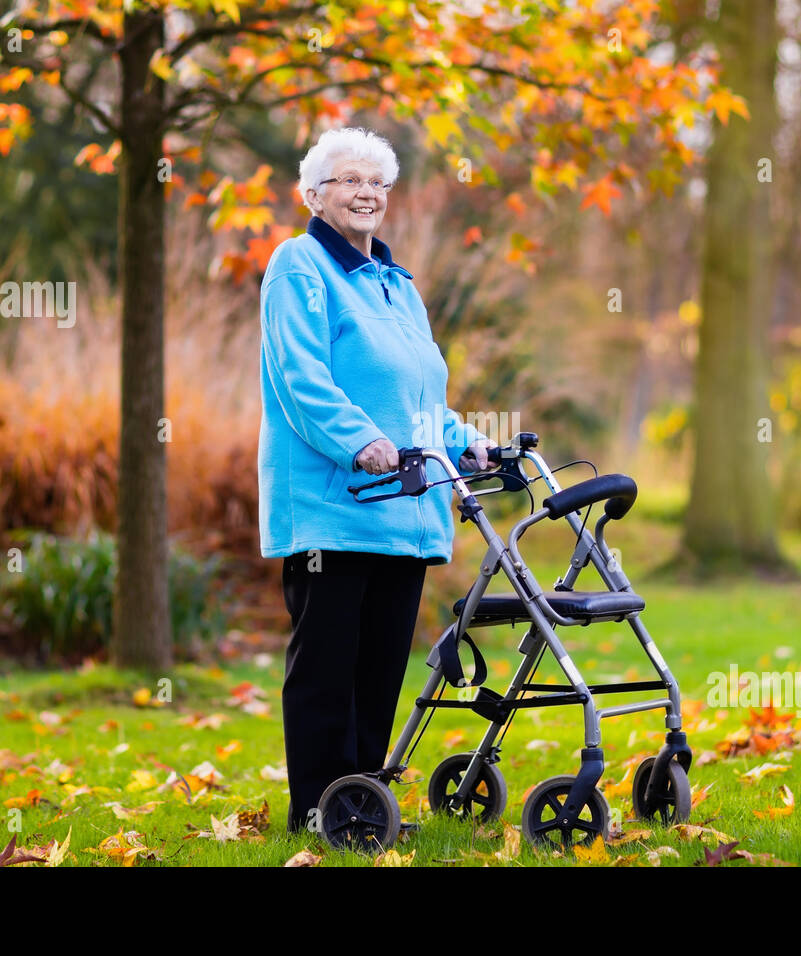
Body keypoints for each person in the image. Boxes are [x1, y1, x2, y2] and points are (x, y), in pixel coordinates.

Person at [257, 126, 500, 834]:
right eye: (349, 180)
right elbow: (301, 380)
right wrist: (361, 440)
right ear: (313, 194)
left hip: (404, 508)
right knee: (327, 673)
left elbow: (422, 405)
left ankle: (359, 807)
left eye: (377, 183)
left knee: (379, 673)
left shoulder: (398, 288)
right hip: (333, 507)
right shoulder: (298, 267)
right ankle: (315, 810)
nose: (366, 193)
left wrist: (468, 444)